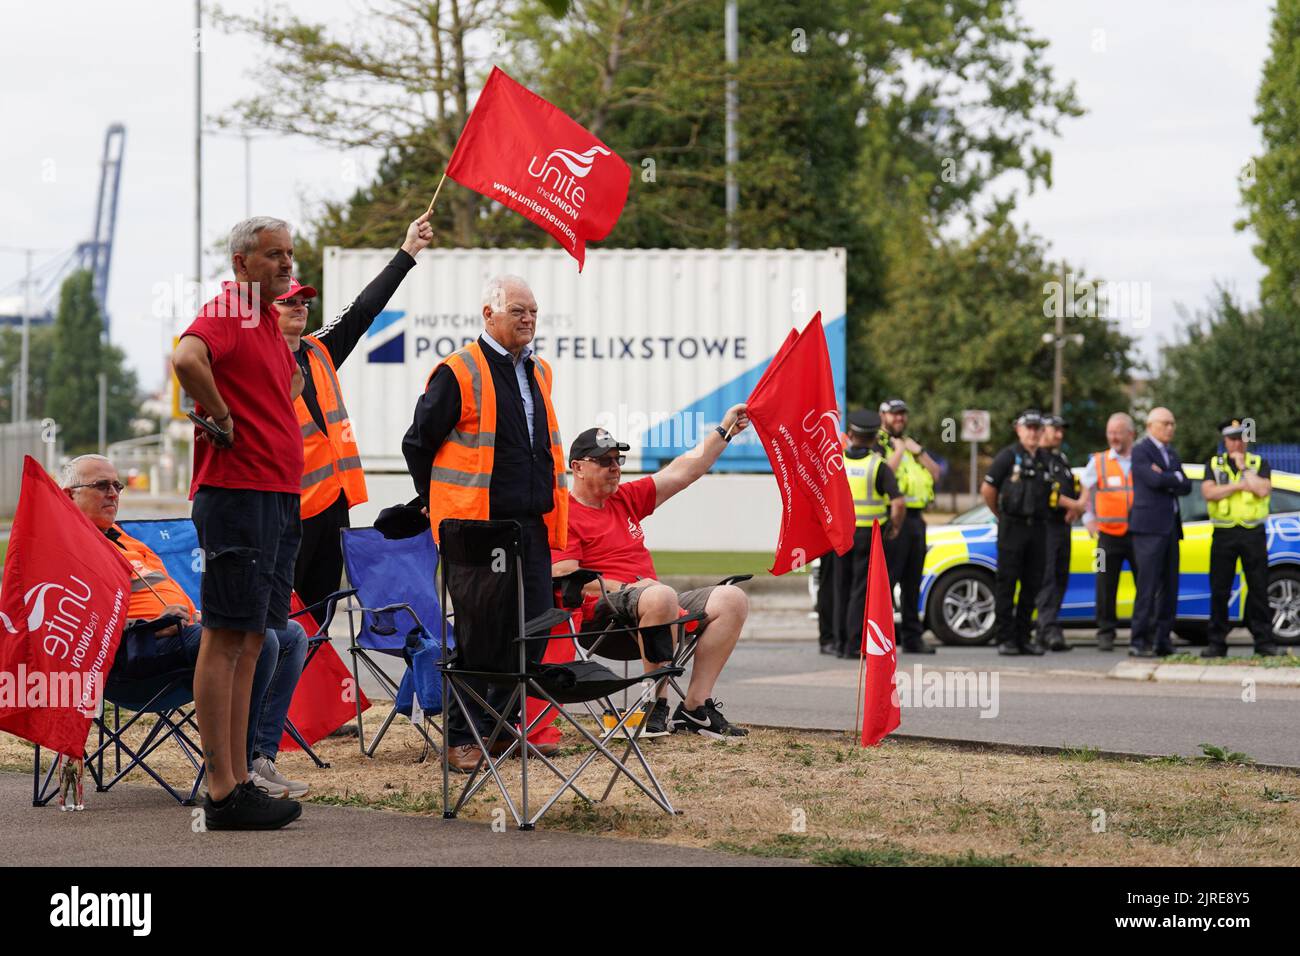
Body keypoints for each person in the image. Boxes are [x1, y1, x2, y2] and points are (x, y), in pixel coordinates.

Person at [60, 454, 310, 801]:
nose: (113, 493)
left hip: (182, 639)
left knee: (291, 636)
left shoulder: (126, 539)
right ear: (68, 494)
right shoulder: (66, 547)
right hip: (133, 658)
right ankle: (237, 771)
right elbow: (75, 626)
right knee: (261, 640)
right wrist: (145, 626)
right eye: (101, 486)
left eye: (117, 486)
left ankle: (257, 757)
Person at [402, 274, 569, 772]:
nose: (528, 319)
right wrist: (433, 500)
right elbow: (418, 443)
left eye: (533, 311)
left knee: (534, 630)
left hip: (529, 525)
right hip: (478, 530)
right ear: (488, 315)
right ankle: (461, 736)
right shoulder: (460, 371)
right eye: (518, 310)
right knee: (481, 634)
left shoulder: (539, 372)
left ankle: (496, 729)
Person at [172, 215, 305, 830]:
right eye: (273, 255)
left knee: (255, 639)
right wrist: (221, 417)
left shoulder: (270, 326)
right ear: (242, 264)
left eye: (289, 255)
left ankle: (242, 779)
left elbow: (280, 392)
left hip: (276, 495)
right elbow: (187, 358)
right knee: (227, 637)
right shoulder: (228, 310)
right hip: (237, 495)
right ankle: (222, 789)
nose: (286, 264)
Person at [550, 414, 752, 738]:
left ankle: (695, 708)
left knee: (732, 599)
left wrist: (725, 430)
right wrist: (628, 587)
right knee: (660, 594)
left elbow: (684, 472)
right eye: (604, 460)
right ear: (577, 467)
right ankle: (654, 705)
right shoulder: (564, 514)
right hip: (604, 620)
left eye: (618, 459)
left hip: (655, 606)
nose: (615, 467)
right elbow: (563, 574)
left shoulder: (625, 498)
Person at [276, 213, 435, 612]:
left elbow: (363, 309)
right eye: (287, 301)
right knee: (283, 617)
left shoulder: (320, 349)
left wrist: (408, 250)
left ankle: (312, 673)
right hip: (286, 516)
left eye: (303, 301)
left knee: (321, 613)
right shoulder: (256, 364)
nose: (299, 307)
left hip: (332, 508)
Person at [1202, 418, 1280, 657]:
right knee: (1220, 589)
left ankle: (1264, 641)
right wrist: (1239, 486)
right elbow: (1209, 493)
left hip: (1252, 534)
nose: (1237, 444)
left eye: (1241, 438)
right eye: (1232, 439)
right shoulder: (1214, 464)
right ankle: (1216, 642)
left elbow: (1263, 489)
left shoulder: (1258, 463)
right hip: (1224, 533)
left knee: (1258, 588)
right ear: (1225, 441)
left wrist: (1244, 469)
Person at [842, 409, 910, 658]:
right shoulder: (878, 466)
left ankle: (838, 643)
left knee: (841, 588)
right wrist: (895, 526)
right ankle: (854, 645)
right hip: (869, 535)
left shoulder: (838, 462)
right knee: (862, 591)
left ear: (850, 435)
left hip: (842, 535)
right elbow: (899, 503)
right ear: (873, 439)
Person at [982, 410, 1049, 656]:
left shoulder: (1045, 458)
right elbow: (988, 488)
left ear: (1042, 431)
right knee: (1007, 584)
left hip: (1038, 528)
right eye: (1028, 428)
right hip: (1013, 526)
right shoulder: (1007, 457)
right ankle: (1005, 638)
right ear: (1018, 430)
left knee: (1032, 584)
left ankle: (1024, 636)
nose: (1032, 432)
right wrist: (1001, 514)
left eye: (1036, 428)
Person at [877, 398, 942, 652]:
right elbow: (883, 473)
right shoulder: (879, 442)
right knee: (888, 581)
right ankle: (881, 637)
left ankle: (913, 637)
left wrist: (918, 451)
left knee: (912, 581)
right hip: (893, 516)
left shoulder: (912, 444)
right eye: (894, 414)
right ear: (882, 415)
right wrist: (900, 450)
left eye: (902, 414)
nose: (899, 419)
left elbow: (935, 472)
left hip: (916, 519)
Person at [1127, 406, 1192, 658]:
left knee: (1170, 586)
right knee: (1147, 586)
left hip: (1171, 529)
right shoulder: (1141, 451)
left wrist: (1169, 476)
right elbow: (1152, 481)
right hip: (1148, 528)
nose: (1170, 428)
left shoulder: (1171, 453)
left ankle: (1162, 638)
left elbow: (1186, 485)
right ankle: (1139, 639)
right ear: (1151, 425)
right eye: (1166, 423)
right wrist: (1171, 478)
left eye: (1172, 423)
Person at [1081, 413, 1138, 651]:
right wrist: (1088, 519)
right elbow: (1085, 492)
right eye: (1110, 432)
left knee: (1145, 583)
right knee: (1105, 585)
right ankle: (1105, 632)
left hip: (1138, 535)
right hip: (1107, 536)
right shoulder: (1098, 461)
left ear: (1130, 434)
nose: (1113, 437)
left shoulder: (1142, 458)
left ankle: (1142, 631)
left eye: (1118, 432)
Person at [1035, 414, 1084, 652]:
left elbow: (1074, 485)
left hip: (1063, 525)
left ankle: (1048, 628)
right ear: (1042, 430)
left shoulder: (1060, 459)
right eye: (1055, 430)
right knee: (1048, 578)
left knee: (1060, 577)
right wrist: (1073, 506)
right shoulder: (1038, 458)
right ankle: (1048, 630)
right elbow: (1046, 491)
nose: (1059, 435)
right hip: (1047, 527)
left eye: (1061, 430)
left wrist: (1077, 506)